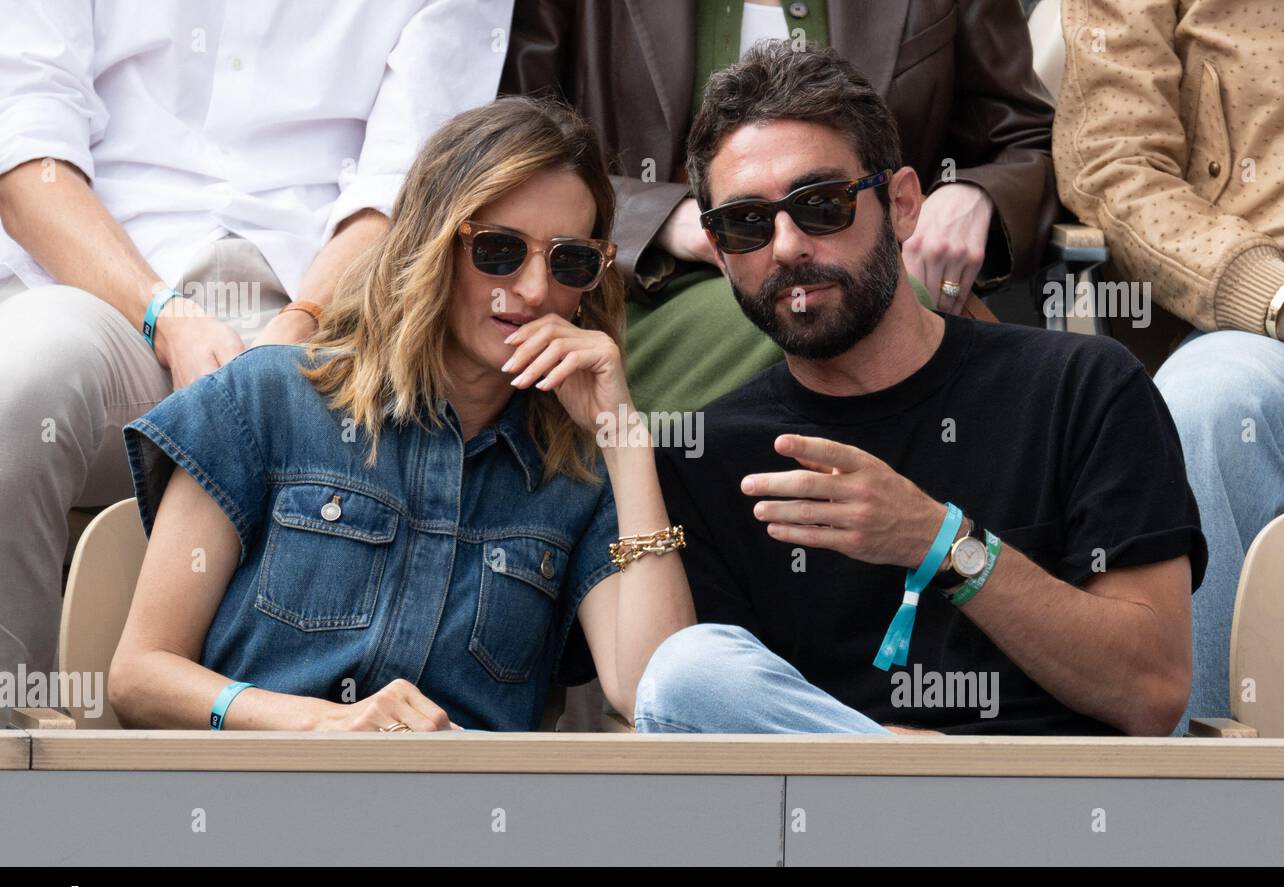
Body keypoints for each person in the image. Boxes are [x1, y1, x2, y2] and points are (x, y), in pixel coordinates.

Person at [637, 41, 1206, 736]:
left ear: (904, 205)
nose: (785, 247)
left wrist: (941, 542)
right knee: (688, 669)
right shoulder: (706, 457)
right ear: (719, 251)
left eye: (822, 205)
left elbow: (1152, 690)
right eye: (746, 224)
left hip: (1052, 821)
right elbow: (699, 706)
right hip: (818, 830)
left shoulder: (1080, 388)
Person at [108, 96, 694, 732]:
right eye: (499, 250)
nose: (532, 289)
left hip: (470, 821)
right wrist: (319, 726)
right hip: (258, 803)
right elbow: (141, 675)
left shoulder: (582, 470)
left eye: (568, 260)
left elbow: (652, 695)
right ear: (431, 245)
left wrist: (626, 439)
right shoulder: (269, 397)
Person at [0, 0, 513, 721]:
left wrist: (297, 329)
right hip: (105, 294)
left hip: (332, 316)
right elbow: (27, 155)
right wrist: (163, 316)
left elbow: (407, 190)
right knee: (13, 385)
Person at [500, 0, 1057, 415]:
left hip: (876, 273)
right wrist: (662, 218)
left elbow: (1028, 138)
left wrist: (972, 194)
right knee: (890, 328)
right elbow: (514, 153)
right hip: (638, 286)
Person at [1053, 0, 1284, 734]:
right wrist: (1279, 297)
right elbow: (1116, 164)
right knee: (1203, 409)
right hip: (1269, 318)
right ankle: (1191, 795)